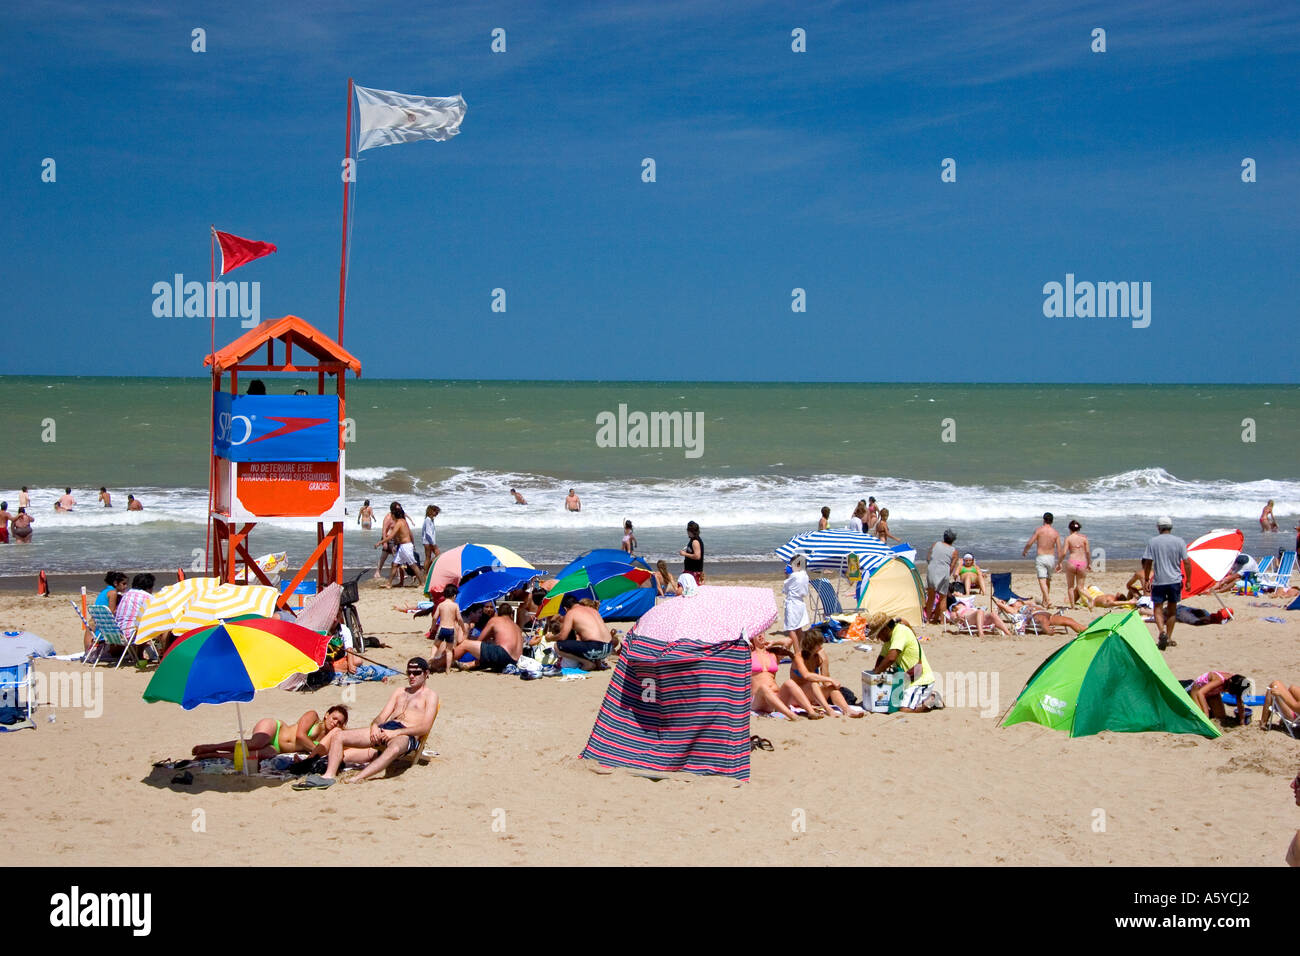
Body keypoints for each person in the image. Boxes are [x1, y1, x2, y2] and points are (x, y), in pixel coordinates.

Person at [294, 658, 439, 788]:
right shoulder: (400, 691)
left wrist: (396, 733)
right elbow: (381, 717)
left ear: (426, 673)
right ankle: (328, 776)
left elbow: (424, 727)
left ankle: (358, 777)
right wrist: (375, 726)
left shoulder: (430, 696)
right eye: (409, 672)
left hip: (407, 734)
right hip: (386, 729)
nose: (412, 676)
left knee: (394, 749)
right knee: (338, 736)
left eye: (417, 672)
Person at [193, 705, 350, 767]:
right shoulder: (313, 716)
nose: (335, 723)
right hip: (275, 728)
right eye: (334, 718)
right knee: (255, 743)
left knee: (258, 755)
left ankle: (211, 754)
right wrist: (317, 750)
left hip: (276, 748)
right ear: (326, 715)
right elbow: (301, 736)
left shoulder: (329, 738)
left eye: (339, 722)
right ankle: (212, 746)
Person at [866, 613, 942, 712]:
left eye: (878, 635)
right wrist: (876, 672)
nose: (878, 638)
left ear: (885, 630)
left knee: (905, 710)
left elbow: (891, 658)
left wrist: (876, 673)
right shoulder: (889, 638)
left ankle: (933, 699)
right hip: (905, 679)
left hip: (919, 679)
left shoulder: (900, 632)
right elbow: (882, 657)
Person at [1142, 515, 1191, 651]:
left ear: (1158, 527)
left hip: (1159, 581)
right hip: (1175, 580)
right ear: (1171, 527)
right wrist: (1189, 580)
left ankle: (1161, 631)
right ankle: (1168, 637)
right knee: (1172, 610)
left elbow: (1148, 562)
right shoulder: (1179, 541)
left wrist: (1146, 578)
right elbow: (1186, 562)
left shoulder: (1153, 542)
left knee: (1157, 608)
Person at [789, 629, 864, 718]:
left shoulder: (819, 656)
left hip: (812, 693)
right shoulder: (799, 657)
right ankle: (829, 710)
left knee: (831, 687)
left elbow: (825, 681)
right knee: (813, 683)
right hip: (798, 694)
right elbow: (807, 675)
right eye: (819, 645)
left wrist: (824, 662)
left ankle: (847, 710)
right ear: (812, 645)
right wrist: (830, 679)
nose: (821, 647)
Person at [750, 632, 821, 720]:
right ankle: (791, 715)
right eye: (757, 634)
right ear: (751, 637)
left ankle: (811, 712)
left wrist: (774, 642)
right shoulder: (748, 654)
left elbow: (789, 640)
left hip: (776, 697)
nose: (760, 635)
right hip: (759, 700)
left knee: (790, 683)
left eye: (762, 633)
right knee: (764, 688)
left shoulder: (773, 654)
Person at [552, 595, 615, 669]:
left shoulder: (571, 612)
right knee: (589, 639)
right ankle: (598, 664)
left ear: (565, 608)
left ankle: (587, 663)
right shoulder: (593, 610)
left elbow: (563, 636)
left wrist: (550, 638)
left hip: (596, 648)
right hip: (608, 649)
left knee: (557, 646)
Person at [454, 605, 524, 672]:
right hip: (515, 661)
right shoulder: (517, 627)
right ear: (511, 615)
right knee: (490, 653)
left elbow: (480, 640)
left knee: (466, 644)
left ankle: (445, 662)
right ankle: (468, 665)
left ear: (499, 613)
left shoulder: (495, 620)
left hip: (503, 655)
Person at [1022, 512, 1061, 606]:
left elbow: (1030, 542)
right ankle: (1045, 602)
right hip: (1051, 558)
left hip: (1041, 557)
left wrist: (1025, 550)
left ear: (1043, 520)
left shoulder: (1039, 530)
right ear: (1052, 521)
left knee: (1042, 580)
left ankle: (1047, 599)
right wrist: (1060, 563)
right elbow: (1059, 549)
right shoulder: (1055, 533)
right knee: (1048, 580)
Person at [427, 584, 466, 674]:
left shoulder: (441, 605)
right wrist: (463, 628)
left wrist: (432, 627)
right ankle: (448, 669)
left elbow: (435, 617)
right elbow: (459, 619)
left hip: (442, 628)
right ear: (454, 595)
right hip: (451, 629)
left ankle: (432, 656)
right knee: (449, 650)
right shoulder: (455, 605)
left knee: (436, 645)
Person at [993, 596, 1085, 634]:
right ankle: (1048, 631)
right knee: (1043, 620)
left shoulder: (1026, 604)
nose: (1017, 602)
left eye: (1017, 601)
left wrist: (1022, 601)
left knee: (1069, 620)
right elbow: (1002, 606)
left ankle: (1086, 630)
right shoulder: (1015, 609)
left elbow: (1034, 599)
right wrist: (1002, 603)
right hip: (1034, 616)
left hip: (1049, 615)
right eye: (1014, 602)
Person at [86, 572, 129, 651]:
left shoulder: (104, 591)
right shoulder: (113, 593)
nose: (126, 586)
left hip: (96, 620)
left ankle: (89, 652)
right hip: (104, 625)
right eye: (124, 584)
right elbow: (111, 612)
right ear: (116, 583)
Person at [925, 530, 959, 623]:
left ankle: (927, 620)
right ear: (953, 540)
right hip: (944, 572)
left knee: (931, 597)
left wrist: (932, 565)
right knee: (943, 598)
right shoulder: (954, 551)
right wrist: (947, 575)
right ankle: (942, 622)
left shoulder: (935, 544)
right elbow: (951, 567)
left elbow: (928, 558)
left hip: (932, 570)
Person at [114, 573, 156, 643]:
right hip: (130, 634)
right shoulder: (147, 597)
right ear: (149, 587)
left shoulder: (126, 594)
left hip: (117, 633)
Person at [946, 597, 1013, 637]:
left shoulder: (968, 607)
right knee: (980, 611)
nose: (961, 604)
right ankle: (981, 633)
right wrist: (958, 618)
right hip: (967, 620)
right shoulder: (954, 612)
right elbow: (953, 620)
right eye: (959, 603)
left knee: (992, 614)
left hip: (979, 619)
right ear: (955, 606)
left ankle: (1008, 633)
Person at [1060, 520, 1090, 607]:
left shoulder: (1068, 538)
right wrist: (1089, 563)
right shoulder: (1084, 538)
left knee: (1070, 587)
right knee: (1080, 587)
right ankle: (1090, 598)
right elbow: (1087, 552)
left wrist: (1059, 562)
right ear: (1079, 529)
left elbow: (1064, 552)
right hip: (1082, 562)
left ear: (1070, 528)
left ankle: (1072, 606)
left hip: (1072, 562)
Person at [782, 556, 810, 643]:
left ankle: (797, 652)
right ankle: (800, 649)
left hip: (793, 602)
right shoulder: (805, 575)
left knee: (791, 629)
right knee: (798, 627)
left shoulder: (794, 576)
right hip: (800, 602)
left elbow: (785, 590)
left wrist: (787, 576)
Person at [373, 501, 398, 579]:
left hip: (394, 539)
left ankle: (377, 572)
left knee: (384, 557)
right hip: (388, 539)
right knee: (396, 556)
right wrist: (384, 542)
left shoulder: (397, 516)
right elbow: (384, 530)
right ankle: (398, 574)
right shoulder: (388, 517)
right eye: (397, 508)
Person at [420, 505, 441, 572]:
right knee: (436, 555)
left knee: (429, 557)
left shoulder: (430, 520)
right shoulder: (428, 520)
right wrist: (433, 543)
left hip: (428, 541)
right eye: (436, 511)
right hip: (428, 542)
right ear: (431, 511)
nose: (437, 513)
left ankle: (427, 570)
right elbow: (428, 533)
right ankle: (427, 570)